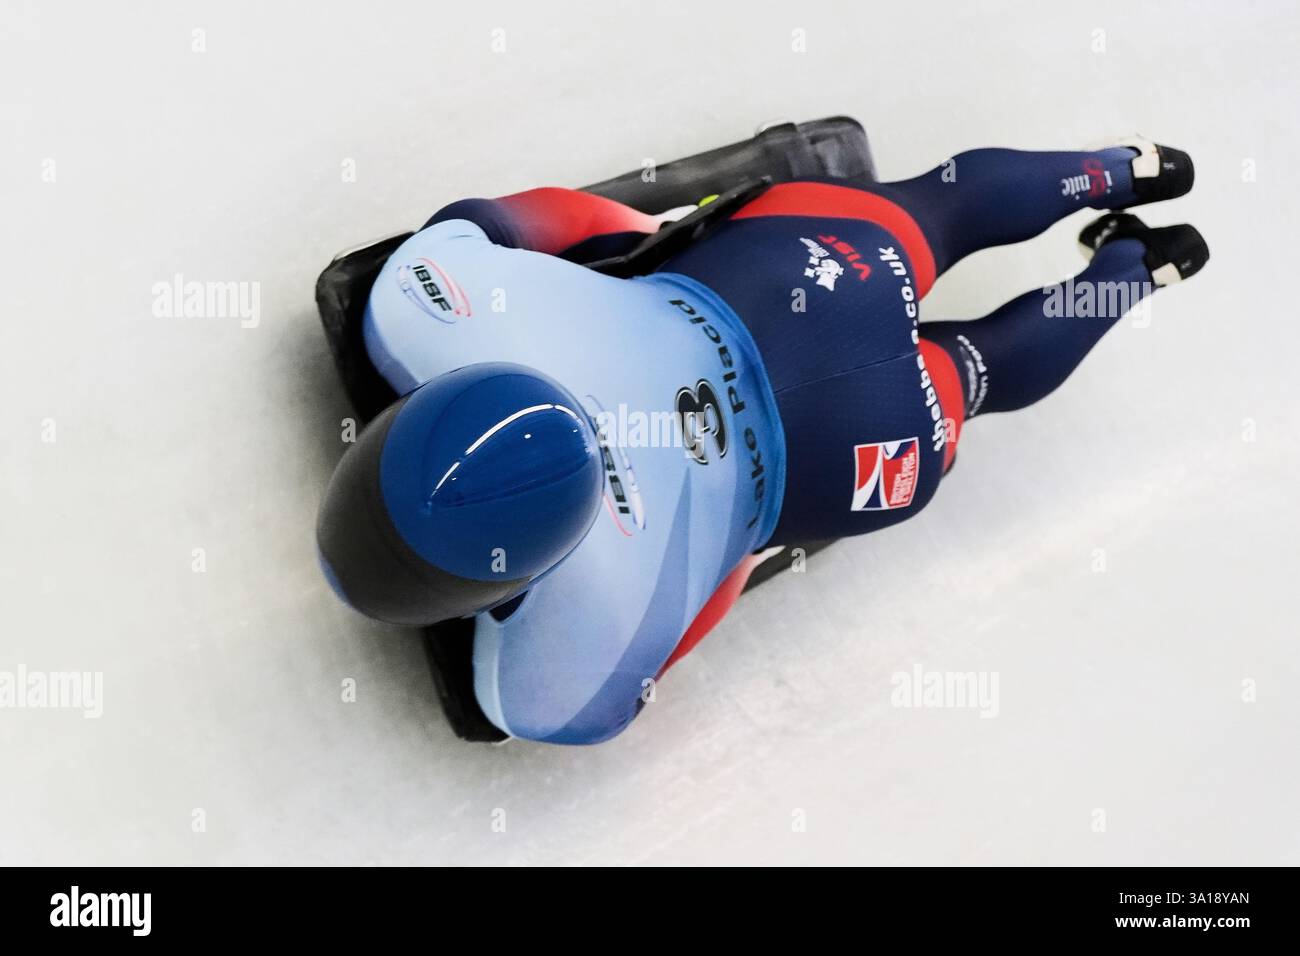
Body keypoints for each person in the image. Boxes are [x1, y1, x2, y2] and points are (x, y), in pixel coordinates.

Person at [317, 137, 1207, 744]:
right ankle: (1126, 169)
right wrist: (667, 242)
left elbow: (711, 598)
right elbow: (569, 217)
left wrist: (734, 532)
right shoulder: (423, 304)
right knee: (948, 207)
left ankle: (1136, 272)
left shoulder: (554, 691)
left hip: (851, 456)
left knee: (975, 370)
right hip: (786, 272)